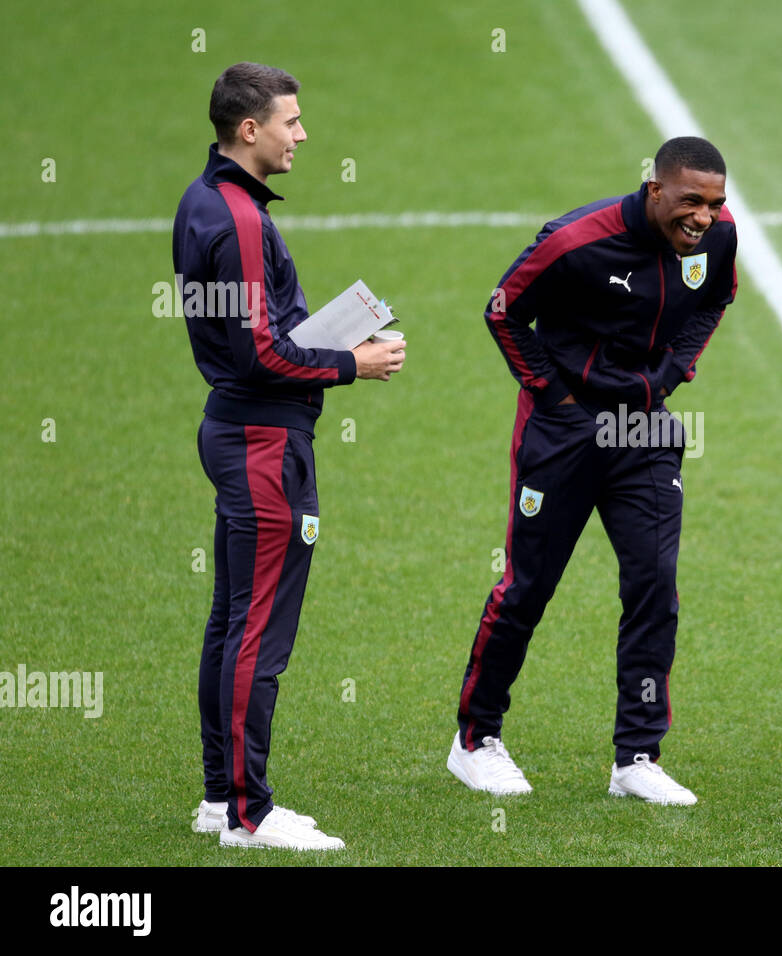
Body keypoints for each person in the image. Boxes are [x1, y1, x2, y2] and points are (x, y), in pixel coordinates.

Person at [448, 137, 738, 805]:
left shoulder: (717, 239)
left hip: (644, 429)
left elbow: (717, 300)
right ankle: (475, 740)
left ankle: (636, 755)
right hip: (565, 432)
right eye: (690, 201)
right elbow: (503, 311)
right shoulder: (574, 241)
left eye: (715, 203)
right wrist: (557, 397)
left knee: (653, 586)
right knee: (528, 588)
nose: (703, 216)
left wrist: (673, 371)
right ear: (654, 190)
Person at [173, 62, 406, 850]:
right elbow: (257, 356)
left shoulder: (206, 200)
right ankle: (247, 812)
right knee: (258, 633)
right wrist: (355, 363)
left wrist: (336, 339)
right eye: (291, 121)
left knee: (232, 622)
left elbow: (253, 343)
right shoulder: (236, 220)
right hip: (264, 443)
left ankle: (220, 798)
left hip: (243, 434)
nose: (302, 134)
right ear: (249, 129)